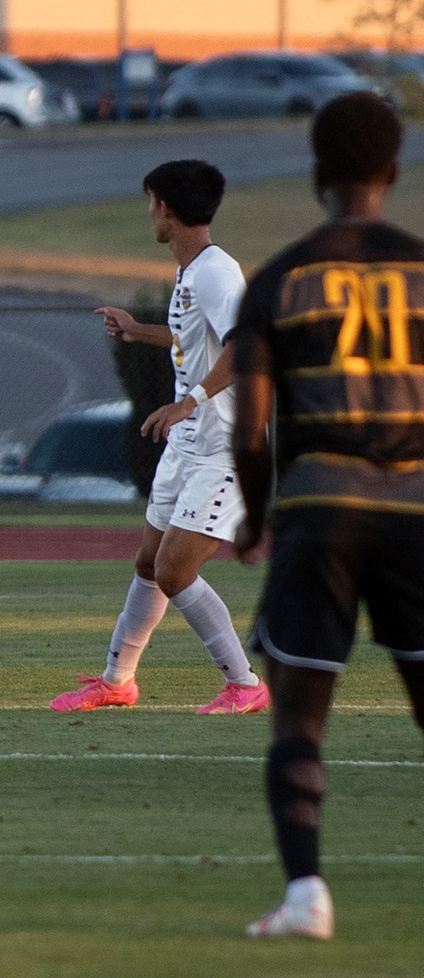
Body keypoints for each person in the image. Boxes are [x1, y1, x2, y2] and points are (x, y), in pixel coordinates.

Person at [229, 92, 424, 940]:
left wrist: (253, 516)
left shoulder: (277, 280)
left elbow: (250, 429)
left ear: (315, 174)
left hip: (319, 511)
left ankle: (307, 896)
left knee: (300, 716)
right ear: (393, 170)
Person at [50, 160, 270, 714]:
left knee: (175, 570)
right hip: (188, 444)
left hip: (223, 450)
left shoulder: (218, 271)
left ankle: (245, 685)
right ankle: (117, 682)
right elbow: (194, 339)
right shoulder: (192, 270)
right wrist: (137, 331)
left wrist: (188, 401)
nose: (149, 213)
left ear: (165, 209)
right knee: (150, 564)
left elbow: (246, 348)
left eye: (151, 202)